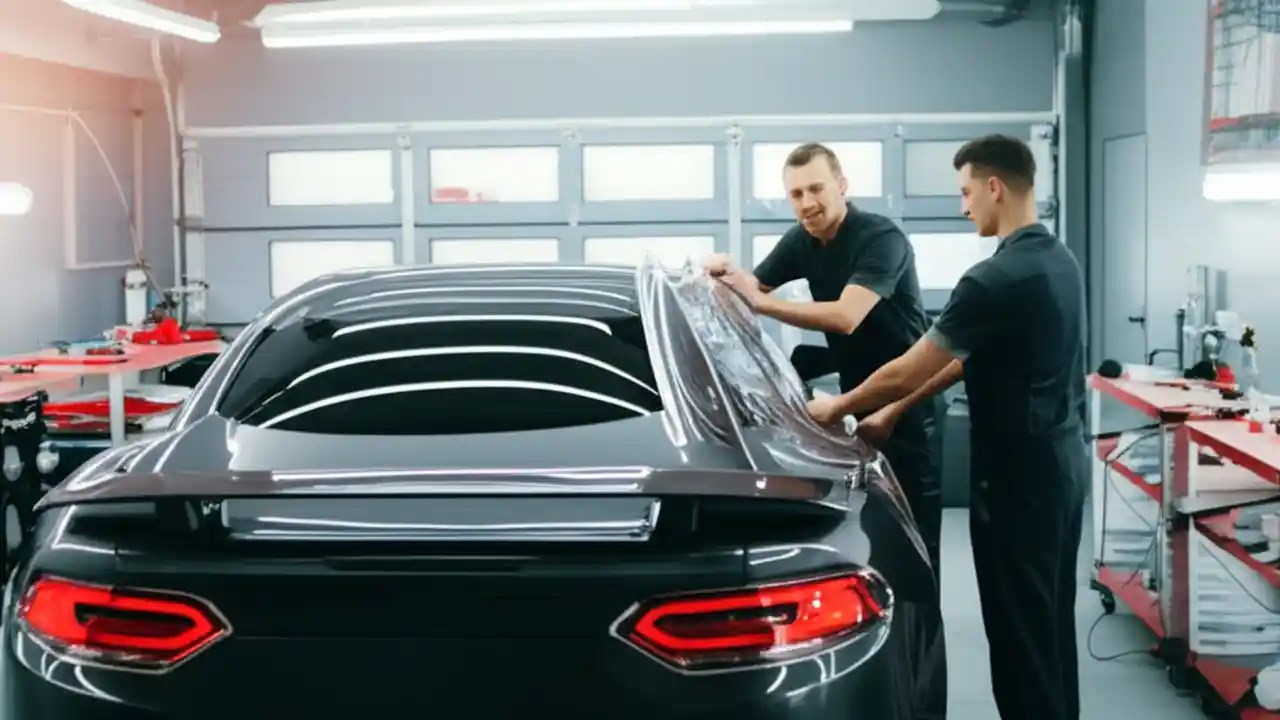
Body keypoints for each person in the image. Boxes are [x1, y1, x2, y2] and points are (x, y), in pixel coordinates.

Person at [806, 134, 1088, 720]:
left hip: (1014, 487)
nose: (963, 207)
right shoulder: (1059, 261)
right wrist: (892, 412)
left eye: (966, 192)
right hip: (1061, 472)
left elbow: (913, 363)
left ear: (994, 187)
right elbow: (966, 358)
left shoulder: (992, 279)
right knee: (1049, 627)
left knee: (1019, 640)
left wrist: (838, 407)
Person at [703, 142, 943, 586]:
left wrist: (760, 303)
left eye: (816, 189)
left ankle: (922, 621)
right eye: (796, 194)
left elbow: (846, 316)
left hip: (907, 400)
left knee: (915, 541)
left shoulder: (880, 238)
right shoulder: (802, 240)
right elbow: (750, 288)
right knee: (871, 534)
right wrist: (721, 276)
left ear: (842, 186)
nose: (807, 203)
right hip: (857, 396)